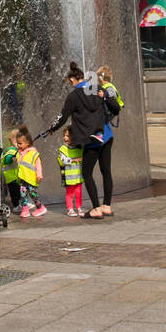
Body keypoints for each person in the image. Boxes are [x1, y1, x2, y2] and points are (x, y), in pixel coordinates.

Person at [46, 61, 113, 220]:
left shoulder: (73, 96)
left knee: (86, 173)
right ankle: (107, 206)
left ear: (72, 80)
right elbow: (110, 105)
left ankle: (96, 208)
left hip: (91, 140)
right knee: (106, 171)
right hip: (107, 135)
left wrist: (52, 128)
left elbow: (63, 116)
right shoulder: (96, 88)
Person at [15, 126, 46, 218]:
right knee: (23, 194)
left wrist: (39, 174)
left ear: (27, 143)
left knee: (33, 194)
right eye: (17, 143)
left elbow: (38, 165)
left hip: (31, 178)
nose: (18, 145)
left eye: (20, 143)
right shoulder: (20, 152)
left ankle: (40, 207)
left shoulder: (33, 153)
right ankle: (25, 210)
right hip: (22, 178)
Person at [57, 126, 84, 217]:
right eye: (64, 135)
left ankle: (79, 207)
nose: (65, 138)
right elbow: (64, 160)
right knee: (69, 194)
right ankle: (70, 209)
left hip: (78, 176)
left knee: (78, 193)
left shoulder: (80, 148)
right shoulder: (63, 149)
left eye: (68, 136)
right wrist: (74, 160)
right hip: (68, 177)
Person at [1, 128, 21, 210]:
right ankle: (16, 206)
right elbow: (7, 159)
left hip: (16, 176)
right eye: (16, 142)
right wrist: (11, 159)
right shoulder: (11, 150)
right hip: (11, 177)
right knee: (14, 192)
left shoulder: (17, 150)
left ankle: (21, 204)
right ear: (12, 141)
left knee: (19, 191)